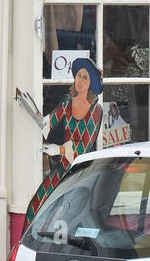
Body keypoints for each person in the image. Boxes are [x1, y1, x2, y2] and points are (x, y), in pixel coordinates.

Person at [23, 58, 103, 229]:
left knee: (70, 214)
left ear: (91, 84)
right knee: (36, 206)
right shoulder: (67, 101)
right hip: (62, 168)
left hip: (80, 171)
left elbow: (84, 147)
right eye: (78, 76)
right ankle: (25, 245)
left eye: (85, 78)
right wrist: (32, 111)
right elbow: (49, 124)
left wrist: (57, 149)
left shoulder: (95, 110)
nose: (80, 81)